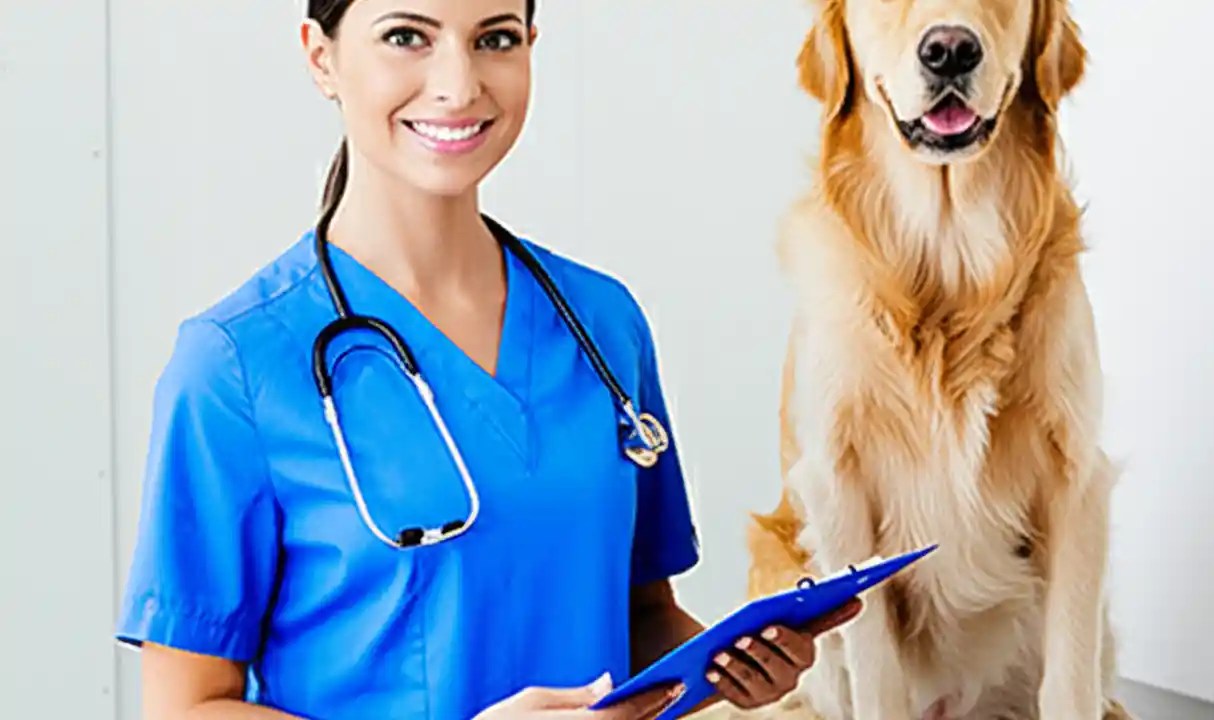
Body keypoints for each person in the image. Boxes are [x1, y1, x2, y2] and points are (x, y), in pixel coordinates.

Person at [114, 1, 863, 718]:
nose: (457, 84)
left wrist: (726, 666)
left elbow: (638, 615)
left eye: (495, 38)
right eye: (408, 37)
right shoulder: (235, 366)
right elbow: (184, 705)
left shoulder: (603, 325)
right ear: (321, 56)